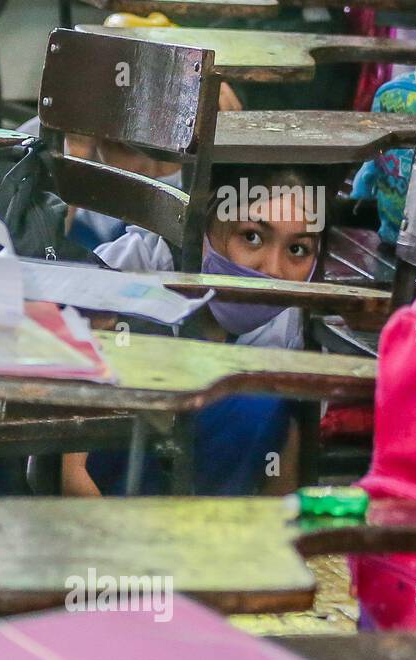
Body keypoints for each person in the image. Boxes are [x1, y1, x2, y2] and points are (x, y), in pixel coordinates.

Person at [64, 166, 325, 497]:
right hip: (97, 498)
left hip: (198, 520)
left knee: (272, 406)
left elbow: (285, 463)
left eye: (297, 250)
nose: (273, 270)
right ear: (205, 226)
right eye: (252, 237)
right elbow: (68, 467)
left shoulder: (288, 319)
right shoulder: (125, 273)